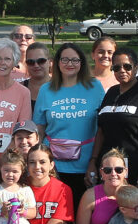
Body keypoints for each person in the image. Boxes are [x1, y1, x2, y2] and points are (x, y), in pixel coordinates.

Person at [34, 41, 105, 204]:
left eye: (75, 60)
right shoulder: (46, 89)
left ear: (82, 62)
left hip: (86, 164)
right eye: (65, 59)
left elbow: (103, 125)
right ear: (57, 63)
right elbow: (39, 126)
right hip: (54, 165)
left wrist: (95, 160)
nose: (69, 64)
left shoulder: (95, 86)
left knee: (84, 213)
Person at [88, 48, 138, 187]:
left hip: (137, 169)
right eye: (116, 68)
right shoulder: (111, 92)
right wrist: (93, 161)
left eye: (127, 66)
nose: (122, 70)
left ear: (136, 67)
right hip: (110, 170)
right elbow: (101, 131)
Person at [0, 38, 31, 171]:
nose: (2, 63)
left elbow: (22, 130)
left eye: (7, 59)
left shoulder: (23, 92)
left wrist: (4, 159)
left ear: (14, 63)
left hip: (11, 160)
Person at [19, 42, 51, 112]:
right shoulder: (19, 89)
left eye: (41, 61)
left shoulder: (61, 87)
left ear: (49, 62)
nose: (36, 65)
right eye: (31, 62)